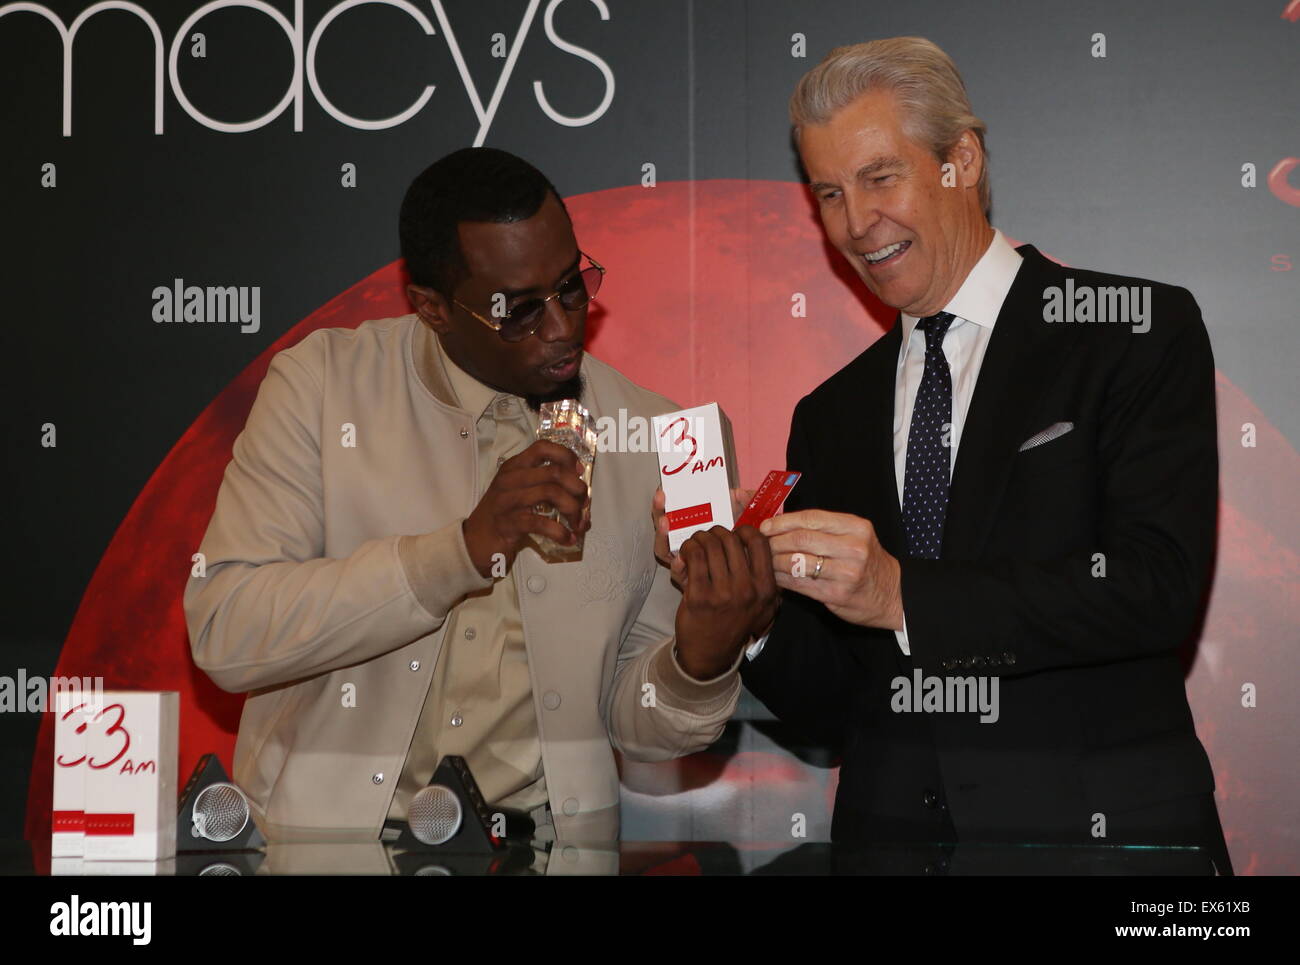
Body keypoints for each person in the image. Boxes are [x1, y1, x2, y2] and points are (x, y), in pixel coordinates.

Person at [664, 37, 1231, 873]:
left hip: (1099, 844)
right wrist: (746, 608)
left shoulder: (1131, 331)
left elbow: (1155, 587)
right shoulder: (830, 413)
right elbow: (834, 705)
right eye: (829, 192)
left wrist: (901, 594)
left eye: (879, 177)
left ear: (961, 161)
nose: (856, 223)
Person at [184, 147, 776, 846]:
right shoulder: (320, 387)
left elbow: (642, 727)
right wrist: (459, 552)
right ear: (432, 307)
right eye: (519, 311)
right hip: (324, 849)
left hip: (547, 852)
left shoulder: (666, 437)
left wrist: (699, 660)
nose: (562, 327)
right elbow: (225, 630)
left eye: (572, 286)